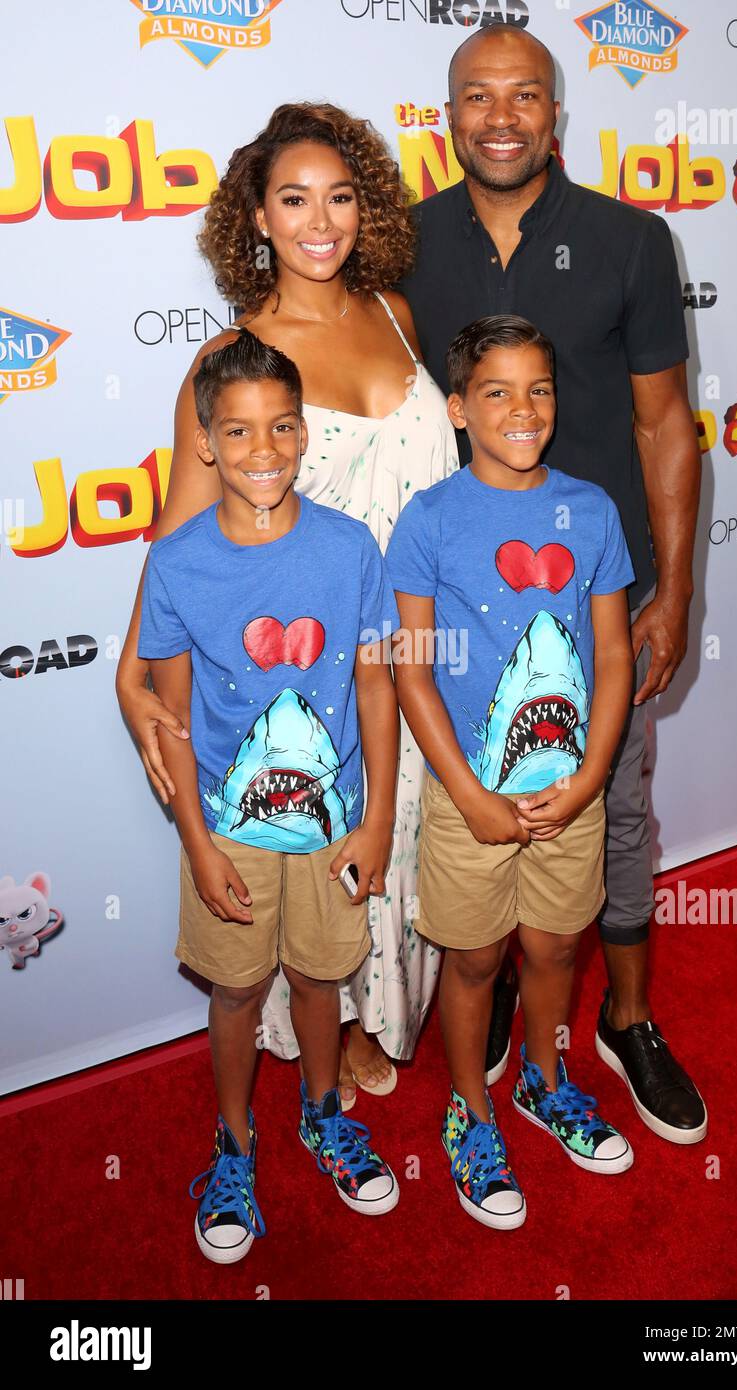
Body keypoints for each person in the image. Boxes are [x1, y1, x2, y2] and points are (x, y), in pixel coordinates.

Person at [397, 26, 706, 1141]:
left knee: (613, 815)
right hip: (469, 605)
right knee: (472, 816)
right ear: (449, 116)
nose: (501, 117)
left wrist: (676, 590)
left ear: (556, 113)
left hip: (605, 600)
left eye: (524, 95)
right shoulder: (403, 241)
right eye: (476, 97)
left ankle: (623, 1021)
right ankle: (488, 1023)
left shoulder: (630, 238)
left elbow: (666, 425)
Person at [117, 103, 458, 1107]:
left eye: (341, 196)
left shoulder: (397, 311)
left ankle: (382, 1011)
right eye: (294, 199)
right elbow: (181, 533)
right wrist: (134, 666)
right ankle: (336, 1024)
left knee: (401, 843)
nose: (322, 221)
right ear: (256, 218)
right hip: (318, 667)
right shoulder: (235, 363)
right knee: (328, 841)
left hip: (426, 646)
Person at [136, 330, 402, 1263]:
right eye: (239, 432)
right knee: (240, 988)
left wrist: (375, 815)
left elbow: (377, 682)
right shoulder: (177, 563)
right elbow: (169, 720)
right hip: (229, 828)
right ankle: (235, 1142)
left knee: (322, 977)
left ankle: (323, 1114)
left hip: (334, 825)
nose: (262, 451)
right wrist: (201, 848)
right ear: (206, 439)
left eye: (281, 427)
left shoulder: (350, 547)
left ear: (304, 434)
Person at [387, 315, 636, 1229]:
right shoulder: (429, 520)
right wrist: (470, 794)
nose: (522, 409)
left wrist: (592, 774)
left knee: (558, 945)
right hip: (471, 801)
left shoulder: (594, 510)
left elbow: (613, 656)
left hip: (574, 790)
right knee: (476, 957)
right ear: (458, 408)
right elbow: (410, 669)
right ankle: (472, 1108)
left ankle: (543, 1079)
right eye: (496, 392)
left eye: (539, 389)